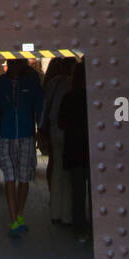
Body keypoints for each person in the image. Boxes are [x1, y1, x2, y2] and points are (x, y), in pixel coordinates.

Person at [0, 57, 44, 238]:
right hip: (6, 136)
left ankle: (19, 215)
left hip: (26, 135)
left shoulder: (31, 83)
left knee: (24, 178)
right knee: (10, 177)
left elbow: (40, 108)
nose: (13, 65)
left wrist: (40, 131)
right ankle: (14, 219)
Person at [58, 60, 90, 240]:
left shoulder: (68, 98)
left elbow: (61, 123)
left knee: (78, 192)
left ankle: (79, 228)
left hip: (74, 149)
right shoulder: (93, 98)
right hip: (92, 150)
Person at [40, 57, 74, 222]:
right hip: (71, 132)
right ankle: (67, 214)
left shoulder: (52, 83)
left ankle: (55, 210)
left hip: (54, 130)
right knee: (68, 174)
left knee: (56, 169)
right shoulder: (72, 82)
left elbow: (45, 107)